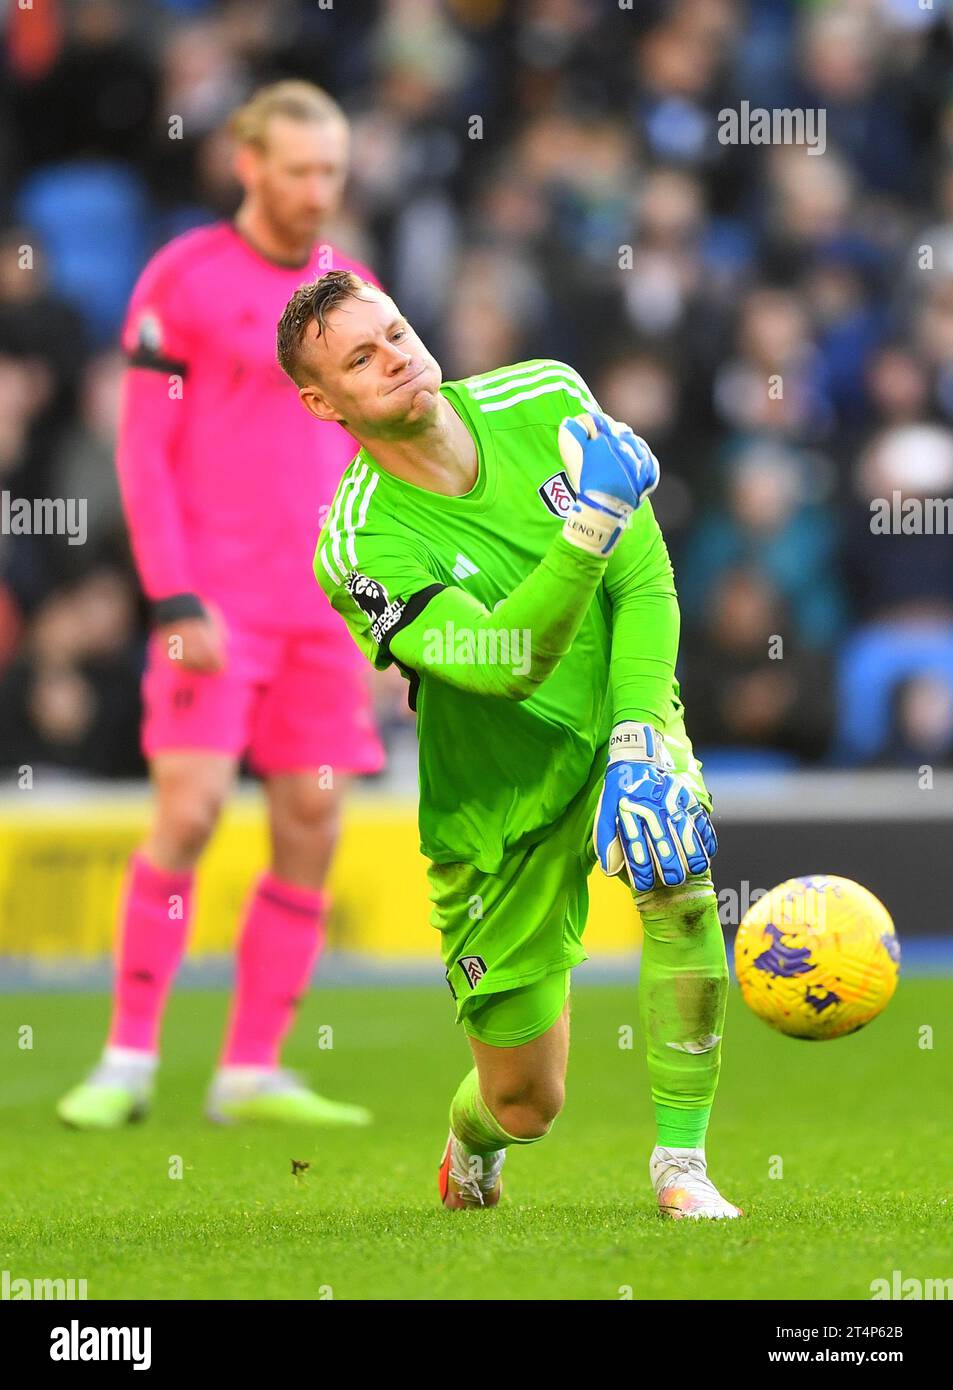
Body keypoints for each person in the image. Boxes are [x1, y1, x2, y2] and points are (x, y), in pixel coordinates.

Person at [274, 269, 742, 1218]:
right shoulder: (357, 542)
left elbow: (642, 582)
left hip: (620, 713)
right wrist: (588, 525)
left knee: (682, 889)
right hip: (495, 803)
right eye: (360, 359)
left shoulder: (547, 395)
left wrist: (637, 732)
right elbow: (502, 662)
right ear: (323, 402)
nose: (394, 358)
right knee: (528, 1101)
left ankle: (682, 1168)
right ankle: (472, 1141)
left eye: (395, 331)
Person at [58, 84, 383, 1131]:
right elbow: (142, 455)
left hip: (322, 607)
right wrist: (174, 597)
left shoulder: (353, 289)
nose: (315, 190)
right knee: (189, 811)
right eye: (296, 170)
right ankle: (128, 1058)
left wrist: (387, 601)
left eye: (330, 170)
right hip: (217, 603)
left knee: (311, 821)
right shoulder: (185, 280)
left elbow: (383, 450)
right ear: (247, 167)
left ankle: (250, 1068)